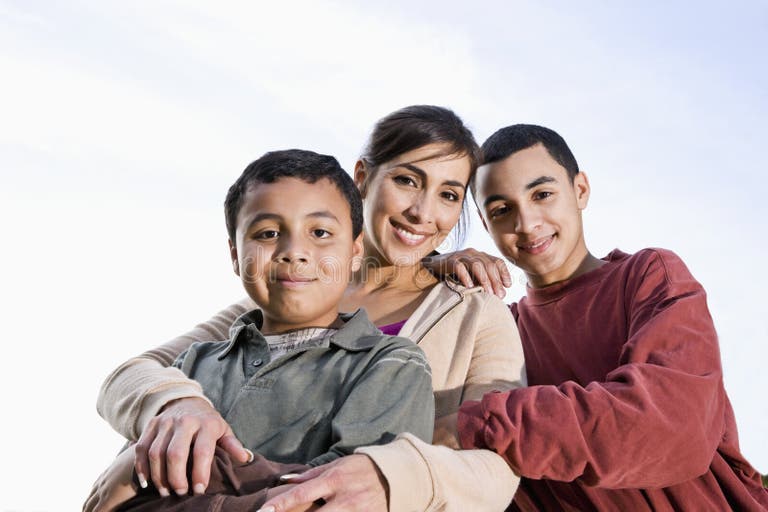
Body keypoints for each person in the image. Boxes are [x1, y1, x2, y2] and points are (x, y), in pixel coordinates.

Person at [87, 106, 525, 512]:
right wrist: (173, 409)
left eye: (449, 195)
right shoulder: (281, 295)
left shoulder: (476, 313)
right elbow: (132, 375)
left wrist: (393, 475)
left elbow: (497, 467)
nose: (421, 212)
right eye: (407, 181)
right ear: (363, 177)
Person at [104, 148, 438, 511]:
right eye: (267, 233)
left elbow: (337, 497)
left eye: (321, 232)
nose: (294, 251)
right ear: (235, 254)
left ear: (356, 251)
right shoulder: (191, 366)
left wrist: (189, 480)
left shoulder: (390, 363)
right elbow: (115, 498)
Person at [456, 124, 768, 510]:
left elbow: (670, 425)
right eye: (502, 210)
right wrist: (432, 268)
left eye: (543, 194)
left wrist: (478, 425)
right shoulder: (499, 329)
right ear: (486, 226)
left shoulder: (649, 276)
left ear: (580, 190)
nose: (526, 223)